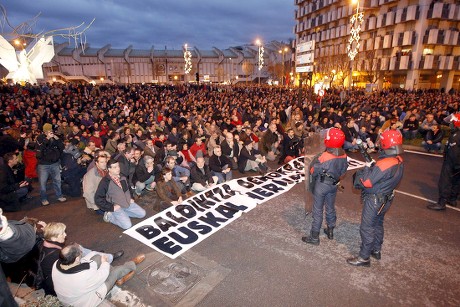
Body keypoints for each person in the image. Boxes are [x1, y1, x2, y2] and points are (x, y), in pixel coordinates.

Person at [347, 130, 404, 266]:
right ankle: (376, 250)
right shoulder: (398, 159)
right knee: (378, 223)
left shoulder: (385, 163)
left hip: (375, 199)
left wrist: (367, 168)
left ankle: (364, 257)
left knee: (367, 227)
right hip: (387, 197)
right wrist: (374, 166)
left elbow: (367, 182)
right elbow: (384, 175)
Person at [40, 222, 124, 296]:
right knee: (85, 253)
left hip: (61, 272)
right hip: (63, 282)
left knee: (77, 246)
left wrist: (47, 228)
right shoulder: (55, 255)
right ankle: (107, 257)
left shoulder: (48, 243)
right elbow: (71, 266)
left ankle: (100, 254)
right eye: (62, 233)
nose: (65, 235)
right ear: (54, 238)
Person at [52, 243, 145, 307]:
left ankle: (119, 278)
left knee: (97, 257)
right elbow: (102, 276)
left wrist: (96, 255)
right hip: (86, 301)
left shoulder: (57, 264)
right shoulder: (82, 276)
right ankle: (131, 264)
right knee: (113, 273)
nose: (81, 255)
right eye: (80, 254)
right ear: (76, 259)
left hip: (73, 295)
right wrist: (104, 263)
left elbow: (85, 262)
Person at [302, 128, 348, 246]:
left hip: (322, 185)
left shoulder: (324, 156)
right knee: (330, 207)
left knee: (317, 210)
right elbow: (343, 172)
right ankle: (330, 230)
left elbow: (313, 170)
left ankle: (314, 236)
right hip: (333, 184)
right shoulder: (344, 155)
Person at [94, 159, 146, 230]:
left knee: (142, 214)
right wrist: (111, 207)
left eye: (118, 166)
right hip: (116, 206)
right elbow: (98, 199)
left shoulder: (123, 177)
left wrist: (131, 198)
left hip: (126, 203)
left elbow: (128, 189)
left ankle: (123, 214)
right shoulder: (105, 182)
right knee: (127, 225)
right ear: (109, 169)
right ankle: (109, 216)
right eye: (115, 167)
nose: (118, 168)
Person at [427, 114, 460, 210]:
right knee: (456, 181)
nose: (449, 125)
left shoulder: (455, 136)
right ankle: (452, 199)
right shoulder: (456, 133)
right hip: (457, 164)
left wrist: (454, 165)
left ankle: (441, 203)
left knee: (445, 181)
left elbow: (453, 153)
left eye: (451, 123)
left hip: (452, 163)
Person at [36, 123, 66, 206]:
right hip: (43, 165)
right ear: (45, 131)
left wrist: (57, 139)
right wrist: (47, 138)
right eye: (48, 131)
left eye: (51, 130)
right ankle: (43, 198)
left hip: (55, 163)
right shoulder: (40, 138)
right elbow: (39, 149)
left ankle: (59, 196)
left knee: (57, 181)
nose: (50, 132)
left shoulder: (54, 137)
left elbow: (62, 147)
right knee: (43, 183)